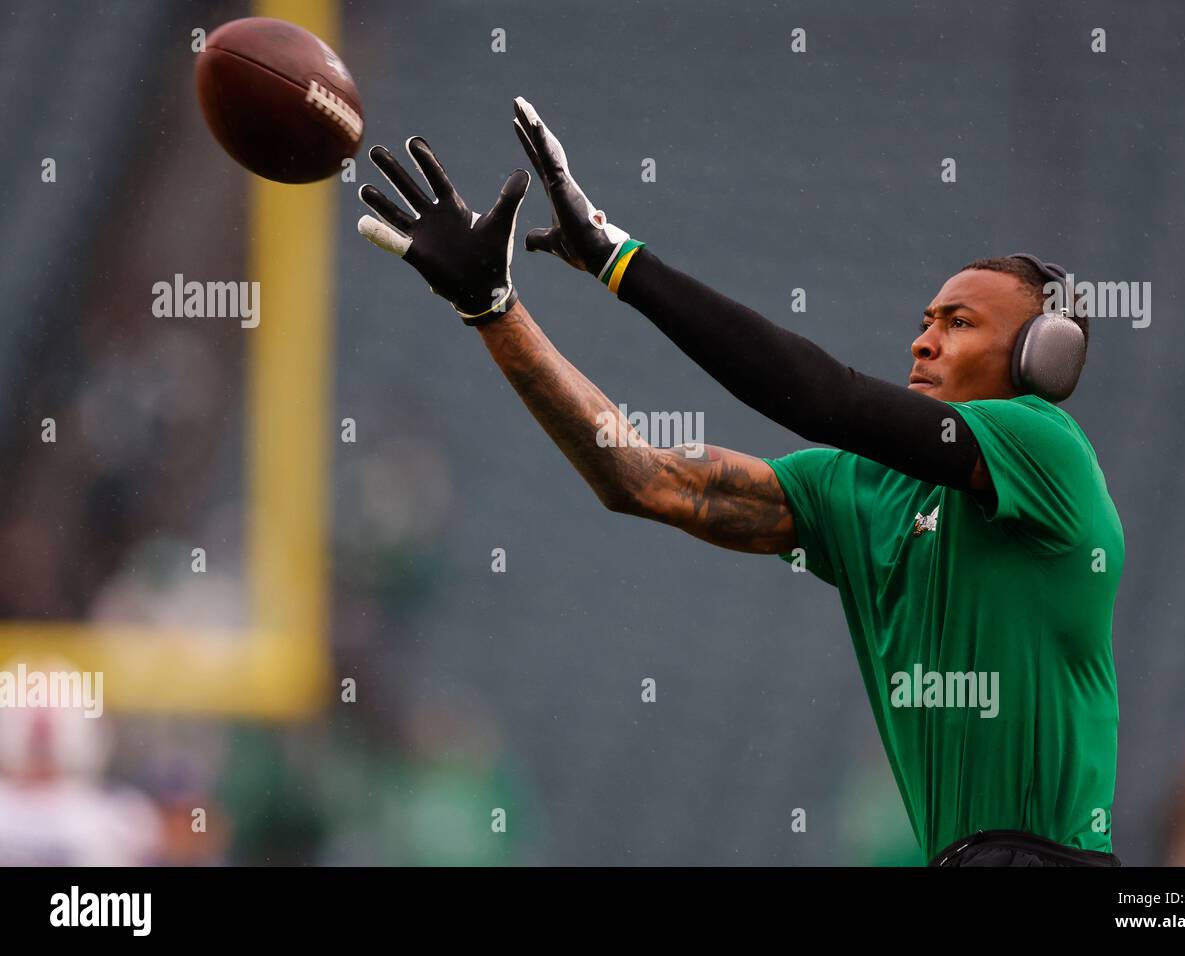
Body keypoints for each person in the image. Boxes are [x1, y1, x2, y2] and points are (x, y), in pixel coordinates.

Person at [354, 97, 1124, 867]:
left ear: (1041, 358)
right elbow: (647, 481)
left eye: (959, 323)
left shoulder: (1044, 446)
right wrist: (494, 310)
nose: (923, 341)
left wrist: (622, 261)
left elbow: (824, 398)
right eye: (926, 319)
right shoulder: (865, 488)